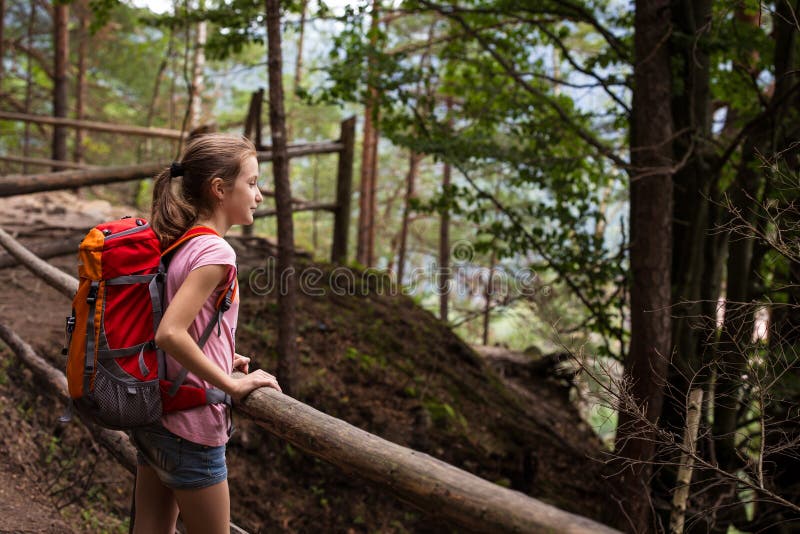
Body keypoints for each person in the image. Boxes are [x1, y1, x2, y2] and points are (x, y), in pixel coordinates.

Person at [130, 133, 281, 534]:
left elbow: (183, 324)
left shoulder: (181, 240)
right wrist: (231, 385)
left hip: (158, 413)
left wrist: (219, 356)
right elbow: (170, 333)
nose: (259, 195)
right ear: (219, 189)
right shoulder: (217, 252)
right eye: (251, 183)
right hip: (191, 427)